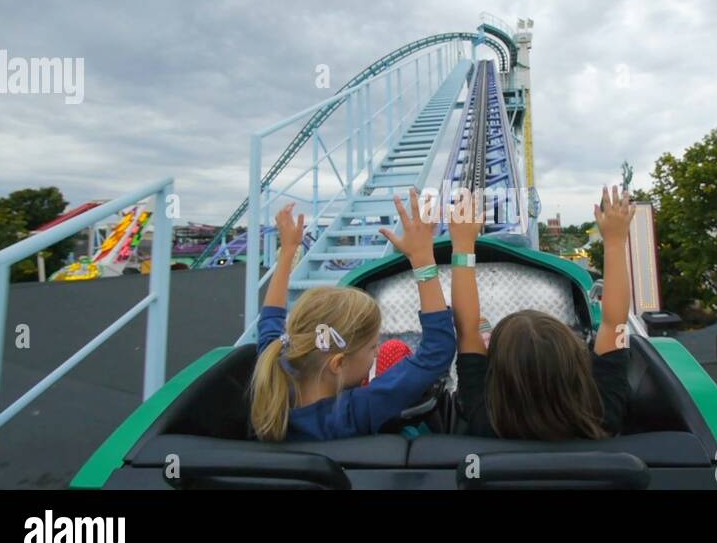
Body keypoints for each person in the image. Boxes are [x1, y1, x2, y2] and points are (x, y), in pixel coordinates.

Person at [250, 189, 456, 441]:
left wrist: (288, 253)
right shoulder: (356, 411)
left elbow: (270, 321)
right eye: (371, 347)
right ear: (337, 364)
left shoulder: (272, 380)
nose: (377, 352)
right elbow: (437, 351)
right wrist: (423, 258)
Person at [452, 185, 634, 440]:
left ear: (496, 374)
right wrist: (615, 243)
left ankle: (488, 333)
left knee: (478, 330)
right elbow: (616, 323)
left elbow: (466, 328)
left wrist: (462, 244)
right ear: (577, 365)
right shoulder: (601, 412)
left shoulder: (487, 418)